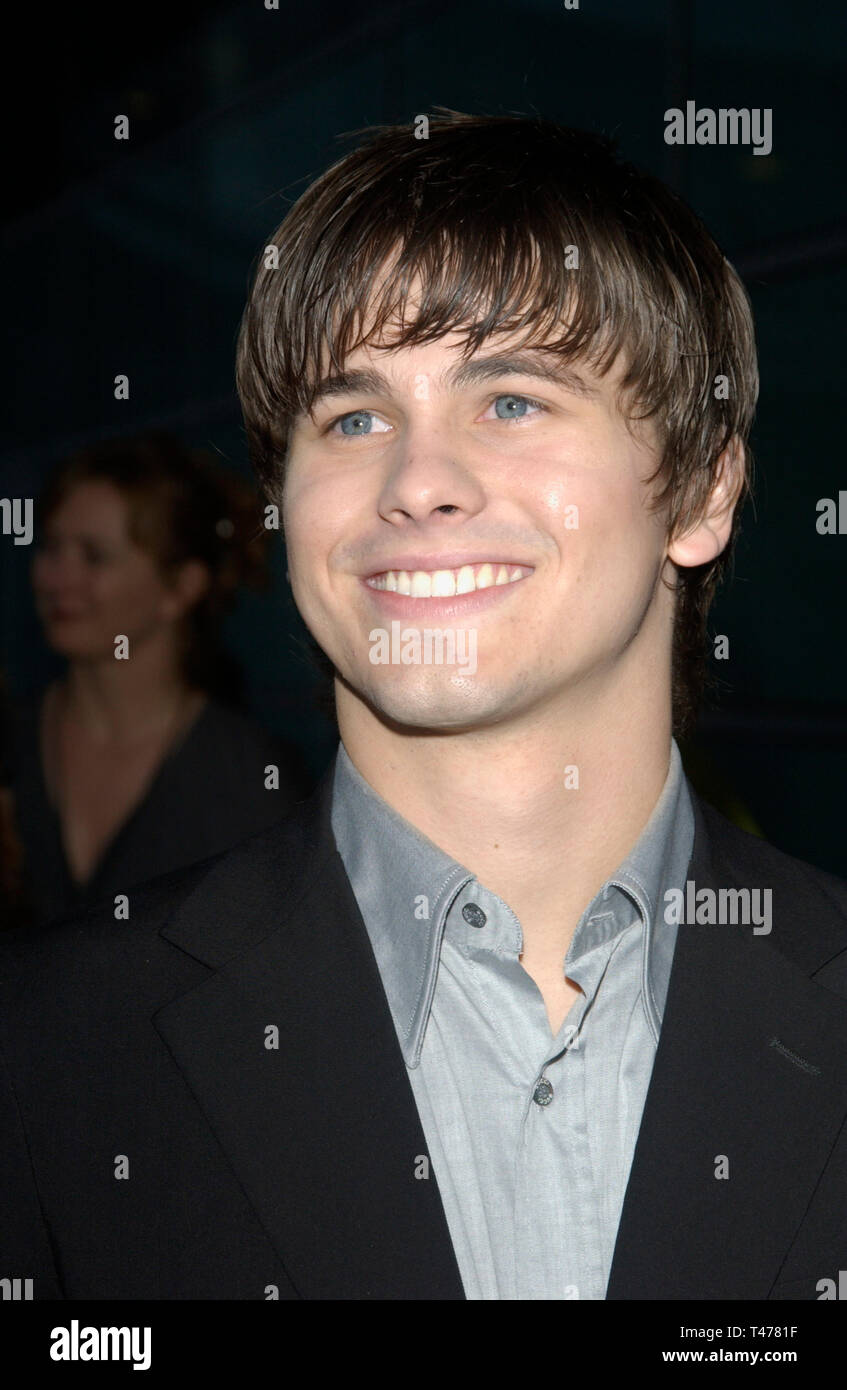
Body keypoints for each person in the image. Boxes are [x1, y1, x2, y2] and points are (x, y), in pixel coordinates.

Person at [1, 113, 845, 1300]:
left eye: (510, 399)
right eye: (353, 418)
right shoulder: (47, 1054)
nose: (416, 481)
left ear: (702, 490)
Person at [6, 434, 310, 926]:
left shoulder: (250, 779)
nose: (56, 578)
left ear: (180, 588)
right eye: (52, 547)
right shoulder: (13, 739)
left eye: (93, 555)